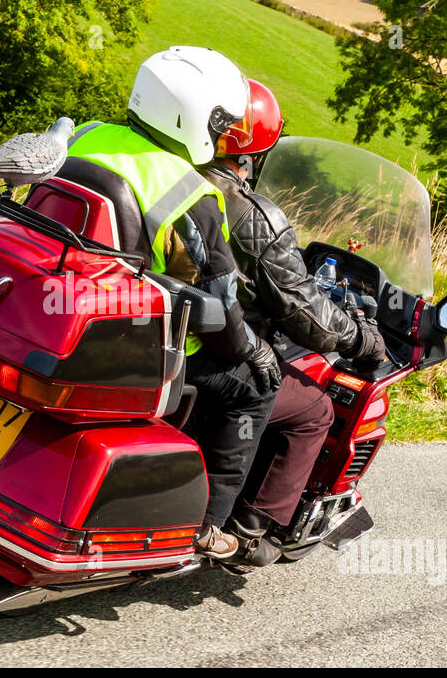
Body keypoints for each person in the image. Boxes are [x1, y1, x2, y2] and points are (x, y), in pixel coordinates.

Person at [62, 46, 282, 559]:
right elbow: (225, 311)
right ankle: (209, 526)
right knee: (254, 387)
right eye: (222, 119)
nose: (227, 132)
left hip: (50, 310)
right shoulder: (189, 193)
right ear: (193, 116)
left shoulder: (86, 135)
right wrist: (253, 350)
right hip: (125, 343)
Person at [197, 79, 387, 562]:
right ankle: (249, 529)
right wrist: (360, 338)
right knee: (314, 409)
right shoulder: (252, 215)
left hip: (166, 338)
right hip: (216, 356)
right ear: (251, 152)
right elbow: (307, 315)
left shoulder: (172, 180)